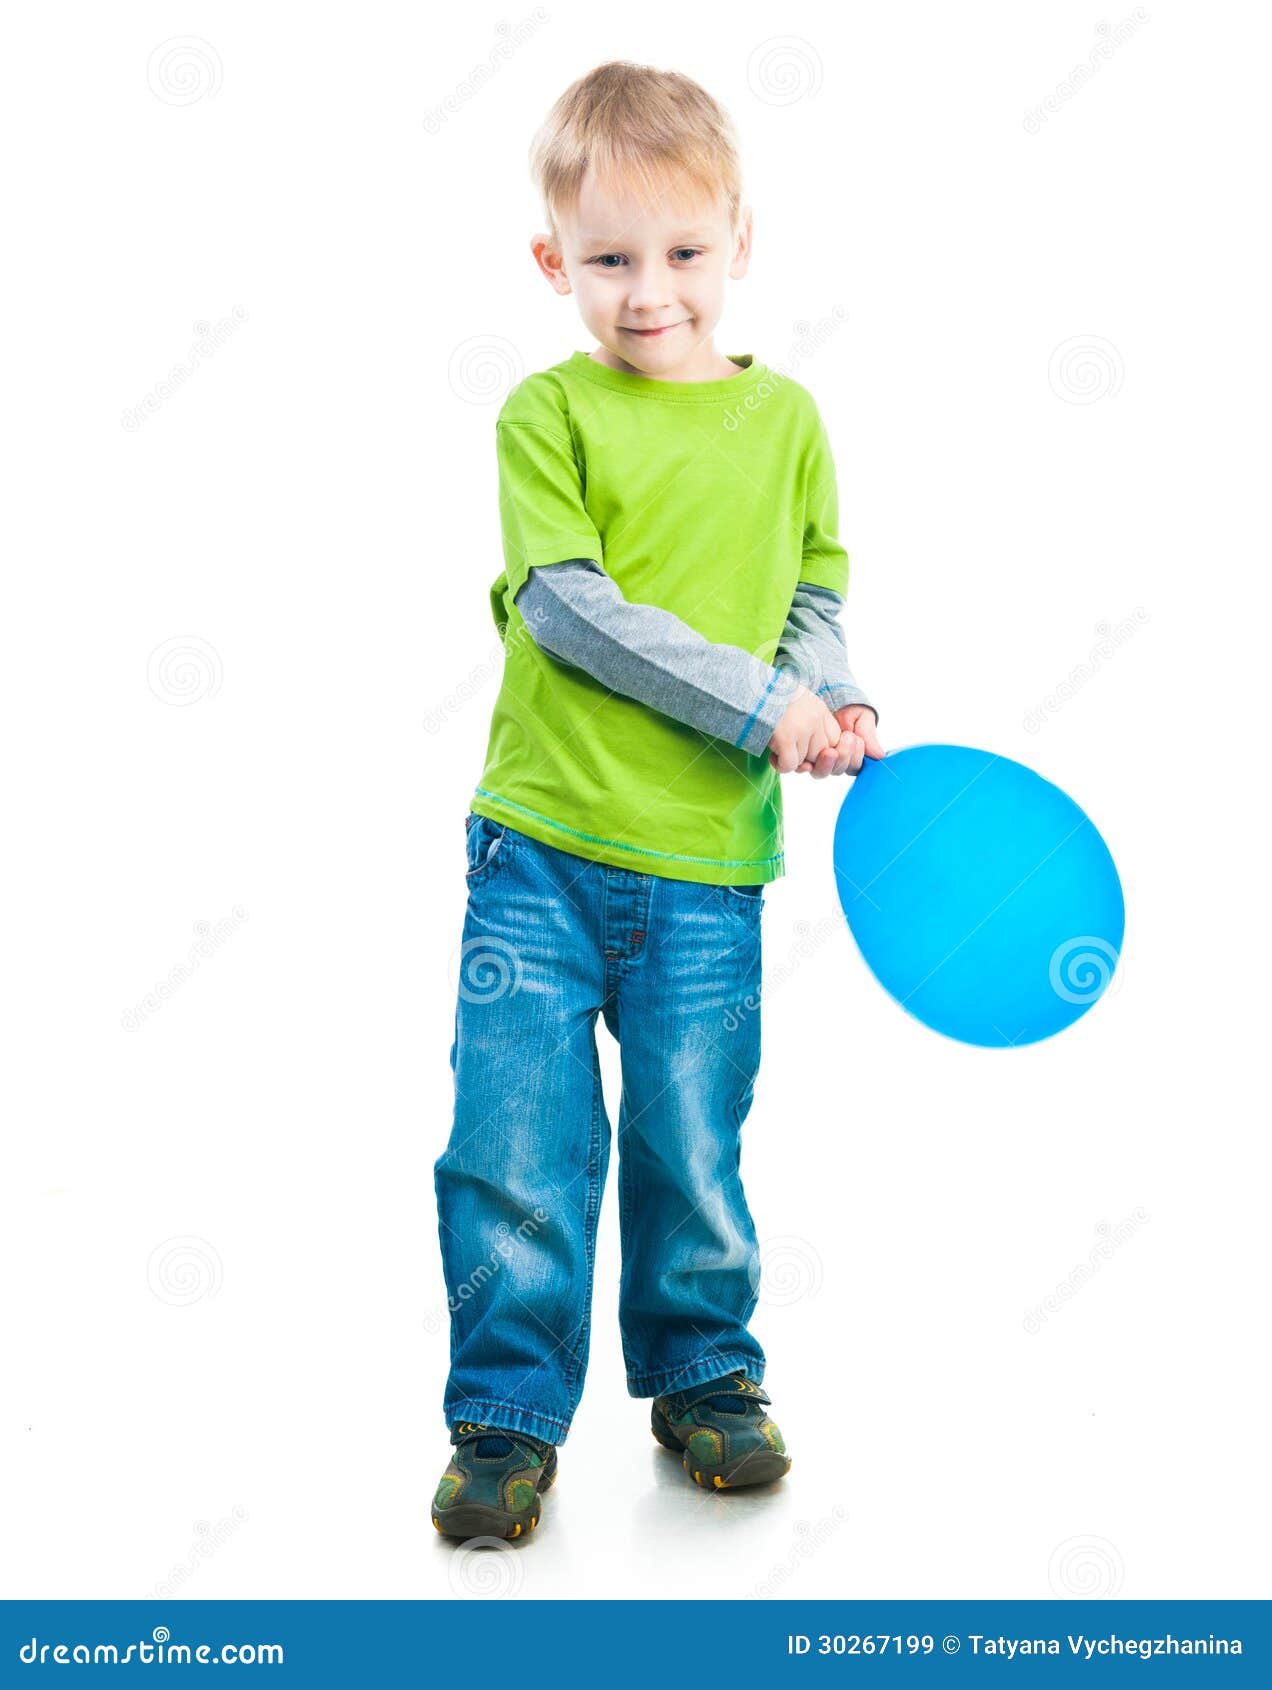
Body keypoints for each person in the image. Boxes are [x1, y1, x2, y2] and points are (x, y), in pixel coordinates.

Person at [431, 59, 885, 1542]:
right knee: (516, 1141)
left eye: (684, 254)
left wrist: (826, 700)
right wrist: (764, 705)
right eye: (612, 258)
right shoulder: (544, 414)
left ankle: (704, 1377)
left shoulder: (791, 421)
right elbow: (569, 610)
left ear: (739, 244)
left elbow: (812, 588)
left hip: (707, 864)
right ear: (553, 258)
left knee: (692, 1136)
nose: (650, 293)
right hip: (542, 852)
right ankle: (502, 1420)